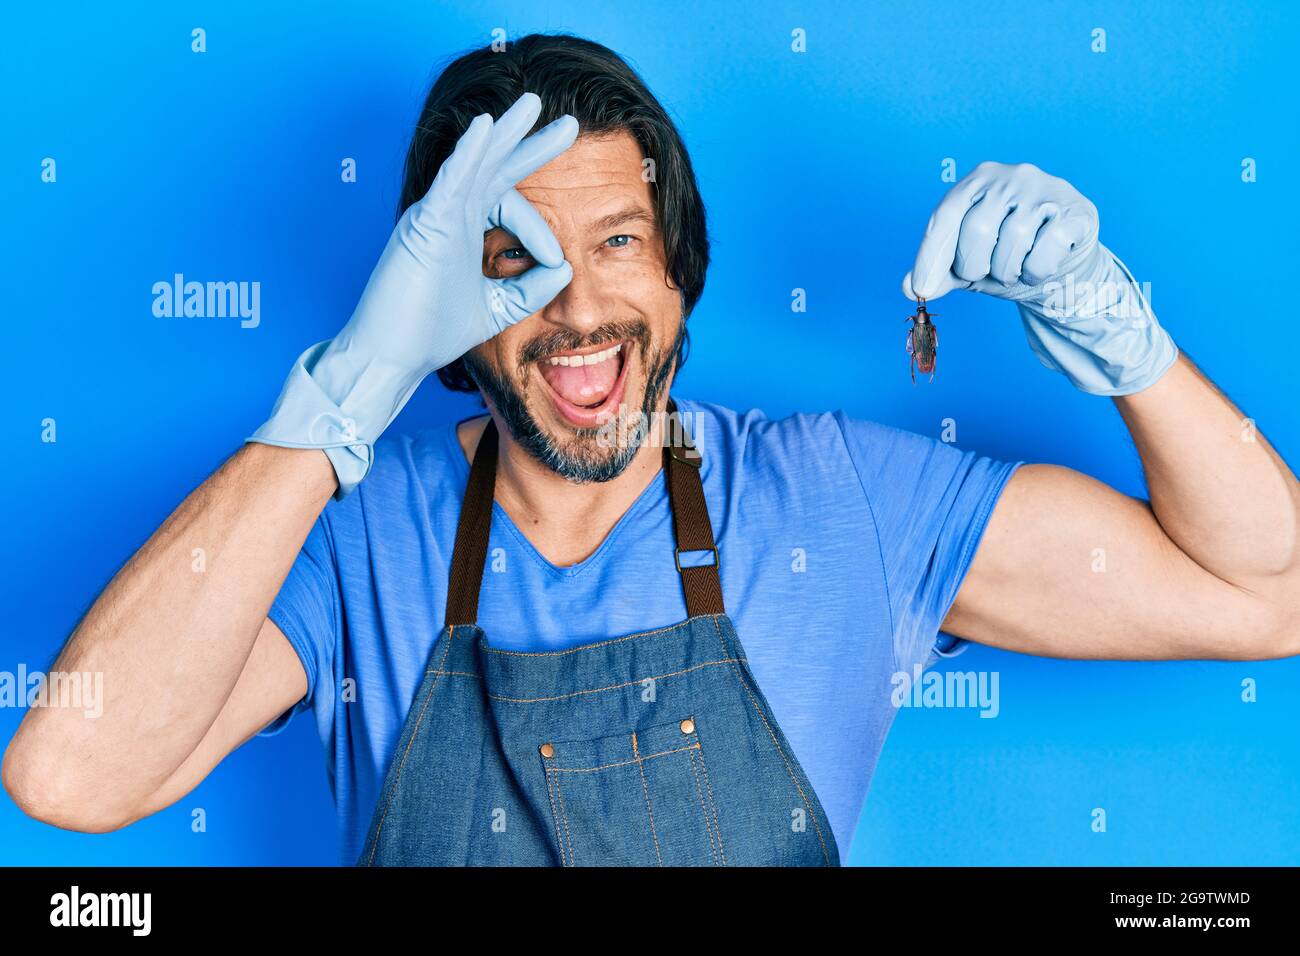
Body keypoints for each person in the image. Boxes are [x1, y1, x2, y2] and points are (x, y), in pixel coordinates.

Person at [5, 34, 1297, 867]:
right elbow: (69, 772)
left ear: (680, 277)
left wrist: (1124, 337)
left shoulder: (837, 500)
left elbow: (1269, 593)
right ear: (437, 302)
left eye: (617, 242)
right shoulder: (350, 537)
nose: (573, 308)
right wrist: (342, 395)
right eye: (514, 256)